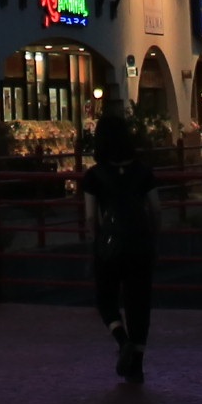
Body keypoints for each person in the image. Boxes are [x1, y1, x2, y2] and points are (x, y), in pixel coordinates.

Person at [75, 104, 157, 383]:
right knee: (139, 303)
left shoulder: (94, 176)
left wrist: (95, 239)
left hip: (109, 245)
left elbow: (89, 215)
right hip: (140, 243)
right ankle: (138, 366)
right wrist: (153, 233)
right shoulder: (144, 172)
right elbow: (156, 208)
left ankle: (122, 341)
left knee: (105, 299)